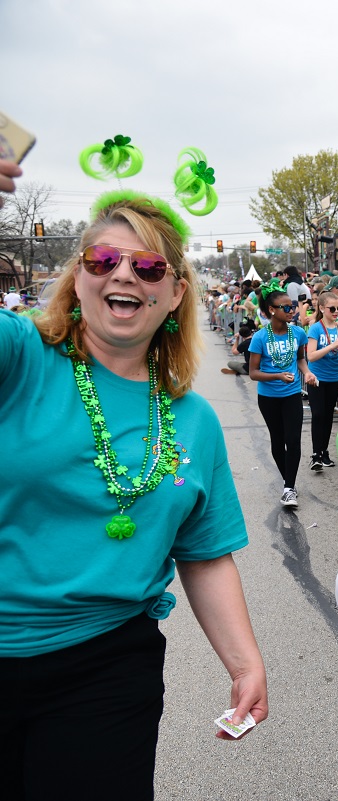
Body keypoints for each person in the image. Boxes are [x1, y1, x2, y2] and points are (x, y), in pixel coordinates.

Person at [0, 192, 267, 797]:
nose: (122, 273)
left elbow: (203, 553)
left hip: (107, 667)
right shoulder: (20, 356)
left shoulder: (193, 420)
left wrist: (246, 662)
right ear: (78, 278)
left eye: (147, 266)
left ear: (174, 295)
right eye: (101, 261)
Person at [248, 286, 318, 508]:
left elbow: (301, 360)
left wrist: (307, 373)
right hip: (268, 398)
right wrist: (278, 375)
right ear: (271, 310)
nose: (292, 311)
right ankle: (289, 482)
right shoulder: (259, 338)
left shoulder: (298, 333)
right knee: (278, 444)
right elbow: (253, 373)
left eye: (293, 306)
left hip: (291, 395)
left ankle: (289, 488)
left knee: (293, 440)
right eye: (286, 307)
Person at [306, 291, 338, 472]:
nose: (336, 312)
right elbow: (311, 356)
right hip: (317, 378)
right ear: (322, 308)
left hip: (334, 378)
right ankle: (316, 454)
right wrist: (331, 345)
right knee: (318, 415)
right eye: (332, 308)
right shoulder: (316, 328)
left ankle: (324, 453)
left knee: (327, 416)